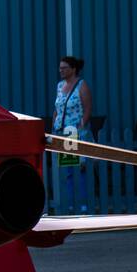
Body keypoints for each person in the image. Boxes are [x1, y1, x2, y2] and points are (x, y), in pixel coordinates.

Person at [53, 55, 93, 213]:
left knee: (80, 168)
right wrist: (54, 126)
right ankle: (70, 202)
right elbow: (57, 107)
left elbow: (88, 108)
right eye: (60, 68)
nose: (61, 70)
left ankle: (82, 203)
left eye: (64, 68)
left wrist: (81, 126)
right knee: (67, 169)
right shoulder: (59, 86)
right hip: (63, 132)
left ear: (73, 69)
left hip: (76, 131)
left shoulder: (81, 85)